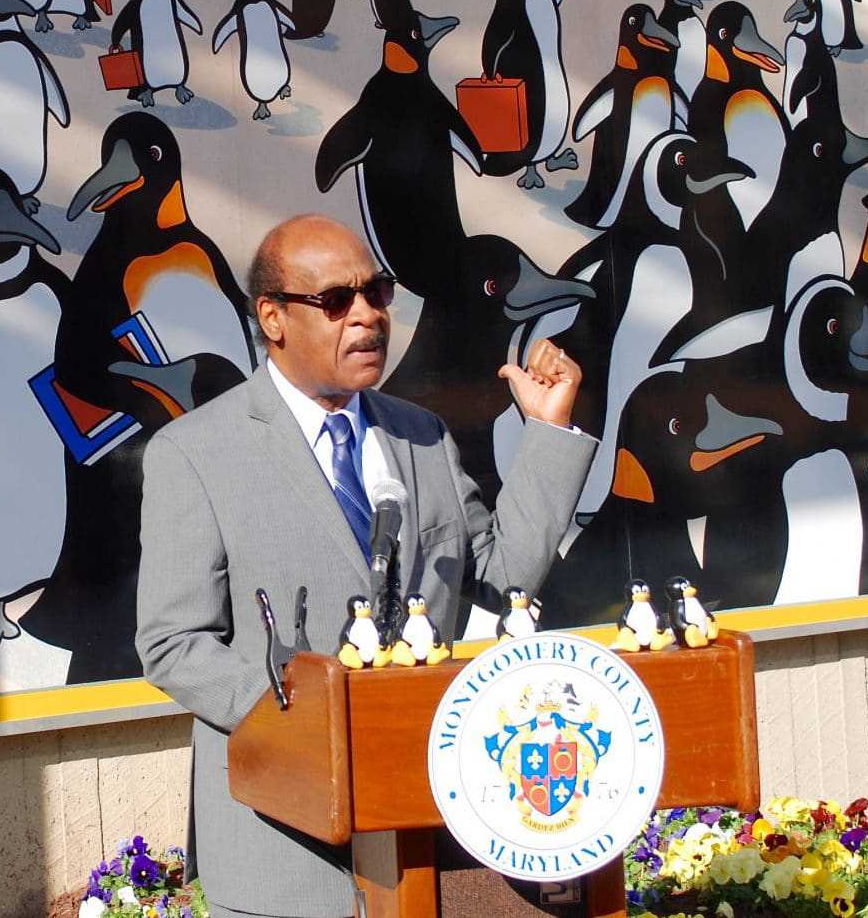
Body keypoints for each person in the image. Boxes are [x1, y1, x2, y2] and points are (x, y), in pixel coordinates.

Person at [136, 214, 596, 918]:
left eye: (377, 293)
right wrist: (308, 719)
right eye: (336, 300)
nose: (367, 316)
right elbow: (174, 642)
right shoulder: (195, 452)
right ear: (273, 317)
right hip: (281, 847)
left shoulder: (422, 436)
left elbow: (502, 580)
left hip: (425, 838)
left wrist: (550, 432)